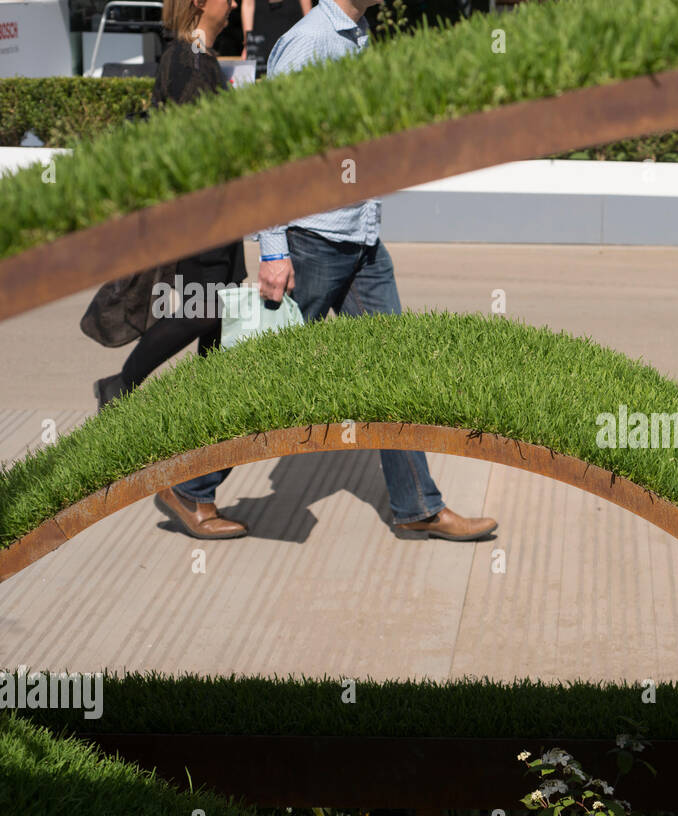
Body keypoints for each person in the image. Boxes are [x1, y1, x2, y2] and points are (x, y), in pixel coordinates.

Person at [257, 0, 497, 542]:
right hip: (313, 239)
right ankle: (192, 486)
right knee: (265, 378)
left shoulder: (358, 34)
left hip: (360, 239)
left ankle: (416, 505)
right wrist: (272, 249)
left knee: (395, 371)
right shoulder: (309, 41)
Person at [90, 0, 251, 539]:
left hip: (218, 222)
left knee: (219, 341)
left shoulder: (200, 59)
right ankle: (123, 383)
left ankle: (194, 478)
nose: (234, 3)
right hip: (200, 222)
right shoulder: (187, 59)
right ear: (204, 4)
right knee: (205, 316)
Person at [241, 0, 311, 78]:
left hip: (291, 17)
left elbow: (306, 3)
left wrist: (309, 36)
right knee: (261, 77)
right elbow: (248, 4)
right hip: (261, 24)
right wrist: (248, 44)